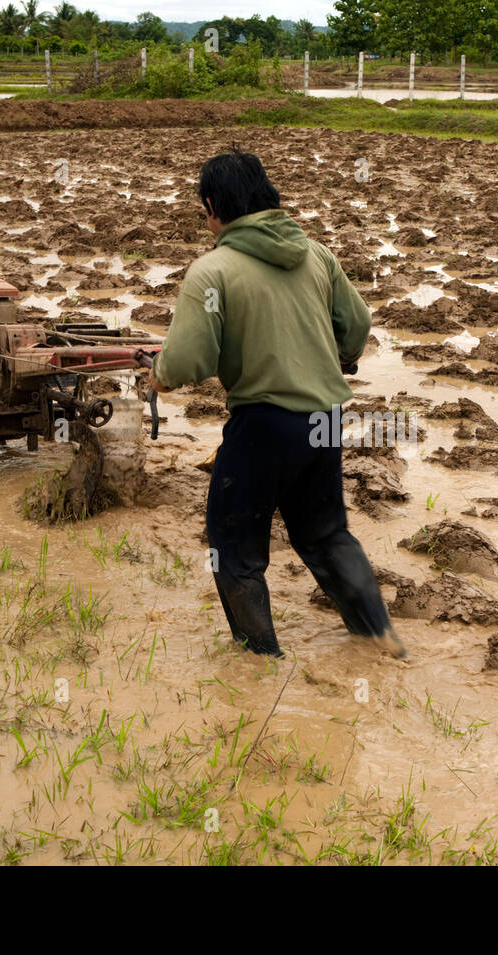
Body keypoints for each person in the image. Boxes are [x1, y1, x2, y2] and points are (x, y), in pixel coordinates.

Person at [149, 148, 407, 660]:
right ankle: (379, 639)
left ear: (210, 206)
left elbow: (187, 361)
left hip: (264, 427)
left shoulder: (212, 271)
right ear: (267, 195)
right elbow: (356, 325)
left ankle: (260, 664)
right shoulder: (316, 254)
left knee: (235, 549)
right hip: (324, 421)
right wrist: (341, 357)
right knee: (327, 534)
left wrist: (157, 375)